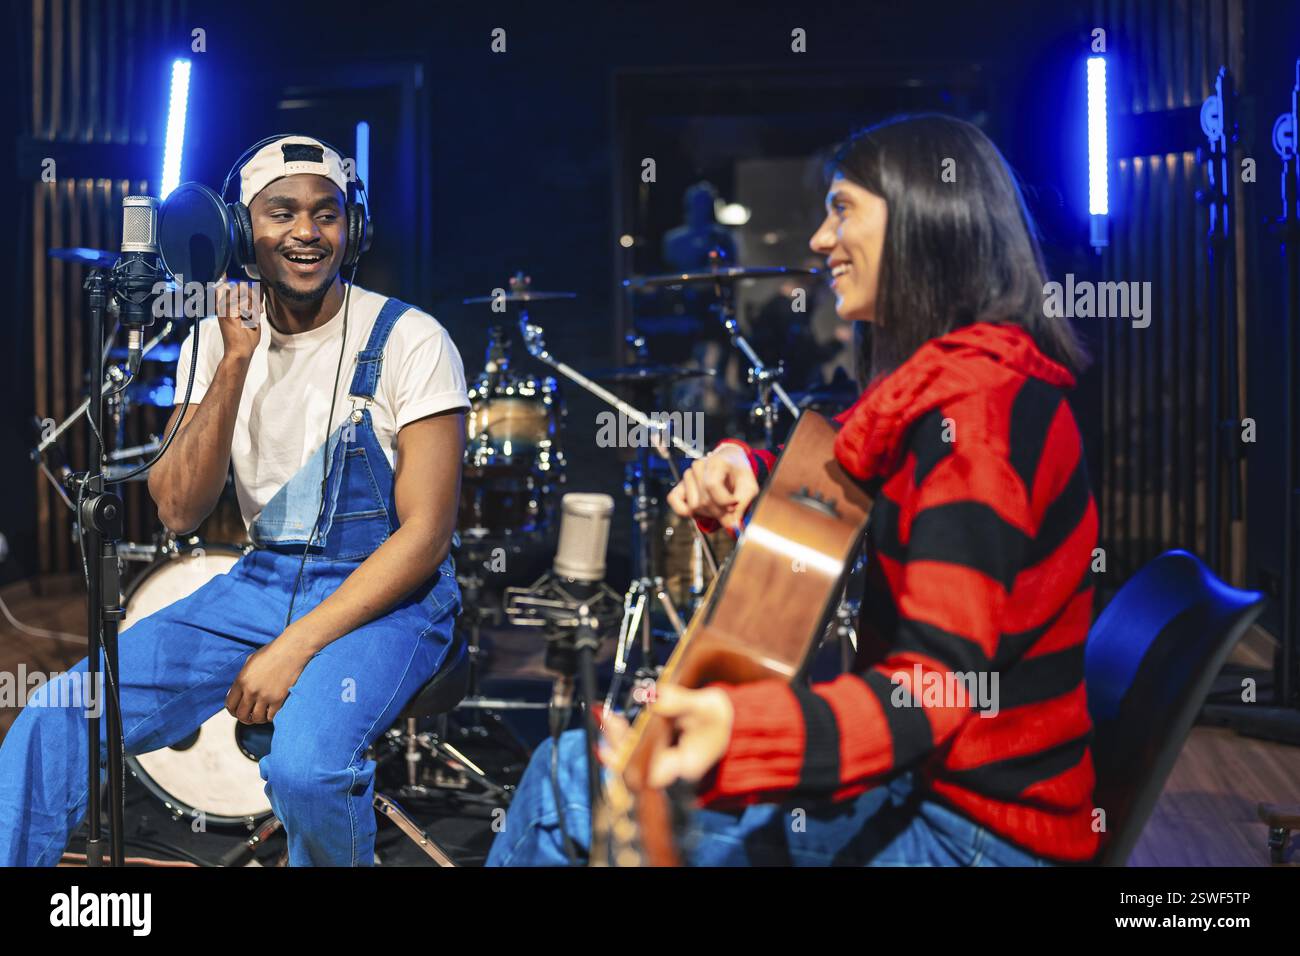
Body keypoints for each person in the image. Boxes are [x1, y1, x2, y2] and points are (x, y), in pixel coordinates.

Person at [488, 113, 1100, 866]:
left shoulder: (975, 424)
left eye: (842, 207)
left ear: (922, 219)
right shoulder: (950, 383)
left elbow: (939, 687)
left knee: (562, 787)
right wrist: (749, 461)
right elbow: (846, 441)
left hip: (975, 832)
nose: (817, 239)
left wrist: (744, 733)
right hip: (944, 793)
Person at [0, 136, 470, 866]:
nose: (307, 232)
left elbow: (427, 538)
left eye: (328, 214)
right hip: (261, 583)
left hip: (390, 594)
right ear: (238, 230)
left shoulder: (412, 340)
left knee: (306, 772)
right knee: (54, 717)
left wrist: (294, 647)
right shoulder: (214, 342)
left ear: (355, 226)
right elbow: (179, 509)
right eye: (281, 213)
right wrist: (234, 361)